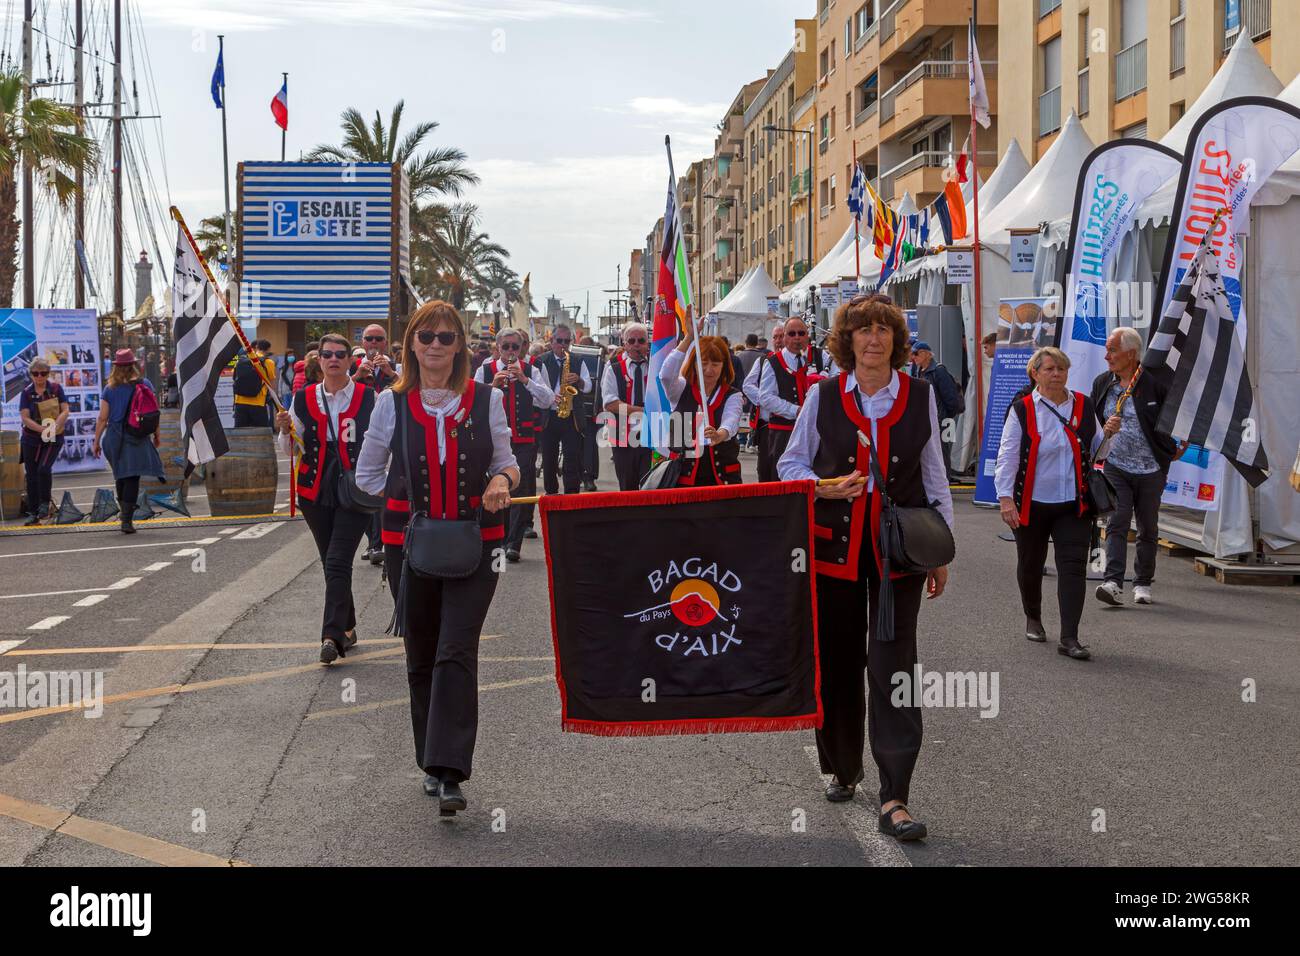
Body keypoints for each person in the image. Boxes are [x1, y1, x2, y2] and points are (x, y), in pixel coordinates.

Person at [777, 294, 952, 840]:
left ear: (895, 341)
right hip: (834, 550)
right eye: (863, 330)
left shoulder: (919, 396)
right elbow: (789, 466)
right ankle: (843, 766)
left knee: (895, 667)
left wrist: (943, 549)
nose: (873, 339)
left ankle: (895, 793)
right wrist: (822, 485)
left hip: (899, 552)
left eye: (882, 330)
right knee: (839, 661)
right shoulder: (823, 397)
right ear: (847, 341)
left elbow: (934, 474)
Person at [354, 301, 518, 816]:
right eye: (426, 336)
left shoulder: (486, 399)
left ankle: (450, 771)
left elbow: (508, 462)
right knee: (420, 653)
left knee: (456, 649)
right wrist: (408, 500)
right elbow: (367, 475)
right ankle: (430, 759)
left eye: (446, 337)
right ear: (411, 345)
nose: (435, 346)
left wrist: (498, 480)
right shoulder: (391, 404)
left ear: (460, 347)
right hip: (411, 545)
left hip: (479, 542)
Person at [996, 346, 1102, 661]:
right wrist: (1005, 498)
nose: (1056, 374)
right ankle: (1033, 616)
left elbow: (1099, 450)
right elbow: (1008, 454)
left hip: (1073, 503)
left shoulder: (1083, 405)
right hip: (1031, 502)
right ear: (1035, 373)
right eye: (1050, 369)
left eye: (1061, 369)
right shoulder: (1023, 409)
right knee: (1031, 564)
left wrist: (1109, 435)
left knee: (1073, 567)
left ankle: (1070, 637)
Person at [275, 333, 375, 663]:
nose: (333, 359)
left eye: (340, 354)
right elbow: (291, 449)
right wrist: (284, 430)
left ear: (350, 360)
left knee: (337, 560)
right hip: (314, 490)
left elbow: (380, 443)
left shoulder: (368, 397)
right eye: (327, 354)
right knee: (331, 561)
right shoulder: (303, 399)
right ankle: (347, 624)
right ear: (319, 360)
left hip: (354, 490)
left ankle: (331, 636)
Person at [1091, 327, 1178, 607]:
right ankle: (1113, 581)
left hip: (1151, 469)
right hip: (1116, 465)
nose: (1107, 357)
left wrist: (1176, 448)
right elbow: (1092, 423)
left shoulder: (1154, 383)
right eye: (1107, 350)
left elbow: (1177, 417)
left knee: (1147, 527)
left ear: (1131, 354)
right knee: (1117, 521)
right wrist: (1104, 429)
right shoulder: (1104, 383)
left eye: (1112, 350)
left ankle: (1142, 583)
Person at [474, 327, 554, 562]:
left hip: (523, 439)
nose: (510, 351)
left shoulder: (531, 370)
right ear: (498, 348)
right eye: (506, 347)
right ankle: (498, 536)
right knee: (492, 487)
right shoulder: (484, 370)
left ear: (521, 349)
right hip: (491, 440)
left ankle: (513, 543)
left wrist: (524, 379)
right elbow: (470, 401)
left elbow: (548, 399)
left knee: (519, 488)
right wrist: (492, 388)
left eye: (515, 347)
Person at [658, 323, 744, 487]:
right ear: (694, 363)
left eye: (715, 364)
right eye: (703, 363)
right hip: (683, 477)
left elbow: (731, 420)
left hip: (722, 478)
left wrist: (720, 434)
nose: (709, 370)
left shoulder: (733, 395)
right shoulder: (681, 388)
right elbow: (666, 376)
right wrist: (689, 337)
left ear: (724, 365)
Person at [91, 349, 165, 534]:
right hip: (136, 436)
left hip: (114, 437)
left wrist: (96, 441)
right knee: (133, 477)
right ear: (134, 365)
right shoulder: (144, 383)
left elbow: (102, 418)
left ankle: (125, 514)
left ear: (116, 367)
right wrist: (157, 434)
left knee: (121, 475)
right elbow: (153, 413)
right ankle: (126, 519)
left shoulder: (109, 389)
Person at [757, 316, 834, 481]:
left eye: (801, 333)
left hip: (818, 432)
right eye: (791, 334)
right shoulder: (773, 362)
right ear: (784, 337)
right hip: (783, 434)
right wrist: (796, 410)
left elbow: (837, 384)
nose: (797, 337)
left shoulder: (823, 357)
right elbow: (765, 397)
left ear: (808, 335)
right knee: (781, 482)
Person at [536, 324, 592, 496]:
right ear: (551, 341)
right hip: (549, 415)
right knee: (549, 457)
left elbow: (588, 386)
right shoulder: (541, 361)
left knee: (572, 457)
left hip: (571, 416)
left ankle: (571, 494)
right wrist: (552, 396)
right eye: (559, 341)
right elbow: (537, 388)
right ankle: (551, 493)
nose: (562, 345)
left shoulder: (577, 360)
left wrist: (579, 381)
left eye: (566, 341)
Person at [17, 359, 70, 524]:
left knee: (44, 469)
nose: (39, 377)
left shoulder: (55, 388)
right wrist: (41, 429)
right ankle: (33, 513)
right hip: (31, 438)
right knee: (31, 475)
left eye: (43, 373)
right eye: (35, 373)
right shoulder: (26, 393)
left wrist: (57, 424)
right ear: (31, 374)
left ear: (48, 373)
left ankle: (45, 504)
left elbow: (65, 409)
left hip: (53, 436)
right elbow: (25, 417)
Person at [602, 323, 652, 490]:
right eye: (631, 341)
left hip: (652, 435)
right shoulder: (613, 368)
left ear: (647, 343)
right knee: (627, 486)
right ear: (625, 345)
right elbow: (610, 403)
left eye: (641, 340)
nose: (636, 344)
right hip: (623, 436)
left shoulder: (656, 367)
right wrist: (641, 412)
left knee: (651, 485)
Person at [910, 341, 964, 477]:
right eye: (912, 354)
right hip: (925, 420)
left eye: (915, 354)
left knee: (942, 453)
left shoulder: (939, 371)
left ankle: (944, 484)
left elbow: (950, 399)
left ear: (925, 354)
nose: (913, 357)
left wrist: (944, 417)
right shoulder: (917, 371)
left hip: (942, 420)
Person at [742, 321, 786, 480]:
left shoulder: (797, 361)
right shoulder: (763, 360)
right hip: (767, 426)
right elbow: (747, 385)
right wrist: (765, 399)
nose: (778, 340)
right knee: (765, 470)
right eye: (775, 337)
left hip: (790, 426)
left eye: (781, 336)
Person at [233, 339, 276, 428]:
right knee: (261, 434)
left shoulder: (241, 360)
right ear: (268, 349)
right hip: (258, 403)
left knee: (240, 434)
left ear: (256, 347)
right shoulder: (269, 362)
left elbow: (234, 376)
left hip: (240, 402)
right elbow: (271, 383)